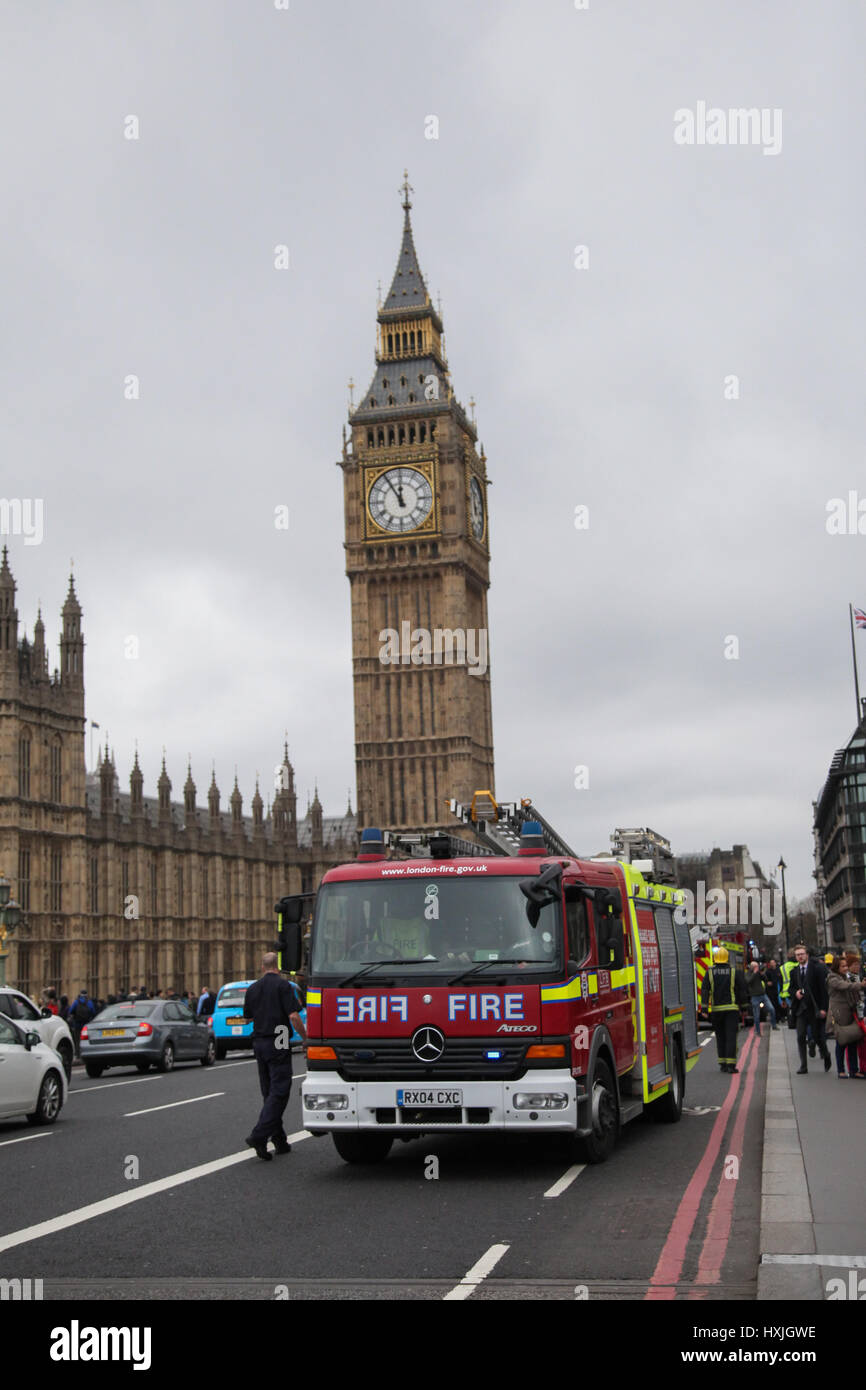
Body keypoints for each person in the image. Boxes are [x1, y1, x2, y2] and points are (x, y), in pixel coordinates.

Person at [242, 953, 308, 1161]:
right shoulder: (283, 986)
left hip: (259, 1042)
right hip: (278, 1039)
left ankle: (279, 1141)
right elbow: (294, 1016)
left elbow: (248, 1018)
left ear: (262, 967)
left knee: (269, 1092)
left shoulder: (252, 989)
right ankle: (259, 1135)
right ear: (277, 967)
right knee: (279, 1091)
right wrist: (306, 1038)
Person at [700, 946, 749, 1073]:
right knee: (731, 1036)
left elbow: (705, 990)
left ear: (715, 959)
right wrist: (744, 1008)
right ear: (727, 958)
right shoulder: (734, 972)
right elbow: (742, 990)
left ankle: (722, 1063)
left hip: (716, 1011)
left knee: (720, 1036)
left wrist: (704, 1009)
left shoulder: (709, 972)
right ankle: (731, 1065)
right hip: (731, 1010)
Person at [789, 944, 831, 1074]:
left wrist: (824, 1008)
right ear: (795, 957)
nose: (800, 956)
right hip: (801, 1010)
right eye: (797, 955)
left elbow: (823, 991)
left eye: (802, 954)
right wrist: (795, 993)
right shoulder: (794, 971)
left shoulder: (816, 969)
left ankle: (826, 1054)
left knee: (817, 1037)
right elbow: (790, 989)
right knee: (800, 1036)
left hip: (814, 1008)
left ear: (806, 954)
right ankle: (803, 1066)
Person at [827, 956, 863, 1078]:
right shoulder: (832, 978)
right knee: (841, 1042)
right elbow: (844, 986)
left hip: (850, 1012)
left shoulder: (846, 977)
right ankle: (841, 1070)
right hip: (839, 1014)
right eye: (843, 966)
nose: (846, 968)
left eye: (846, 966)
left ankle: (854, 1070)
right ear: (837, 967)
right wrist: (860, 985)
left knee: (852, 1041)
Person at [746, 960, 778, 1031]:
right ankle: (758, 1030)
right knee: (757, 1015)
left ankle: (774, 1025)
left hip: (763, 995)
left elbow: (765, 979)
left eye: (757, 966)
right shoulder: (748, 974)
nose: (757, 968)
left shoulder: (758, 973)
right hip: (754, 997)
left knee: (772, 1009)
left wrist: (761, 973)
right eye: (755, 966)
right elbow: (748, 981)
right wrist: (754, 973)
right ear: (752, 967)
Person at [68, 990, 95, 1058]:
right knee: (87, 1039)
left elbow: (70, 1011)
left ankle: (78, 1054)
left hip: (77, 1024)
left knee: (77, 1039)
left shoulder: (76, 1002)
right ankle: (87, 1052)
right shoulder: (89, 1002)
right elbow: (93, 1012)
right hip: (86, 1024)